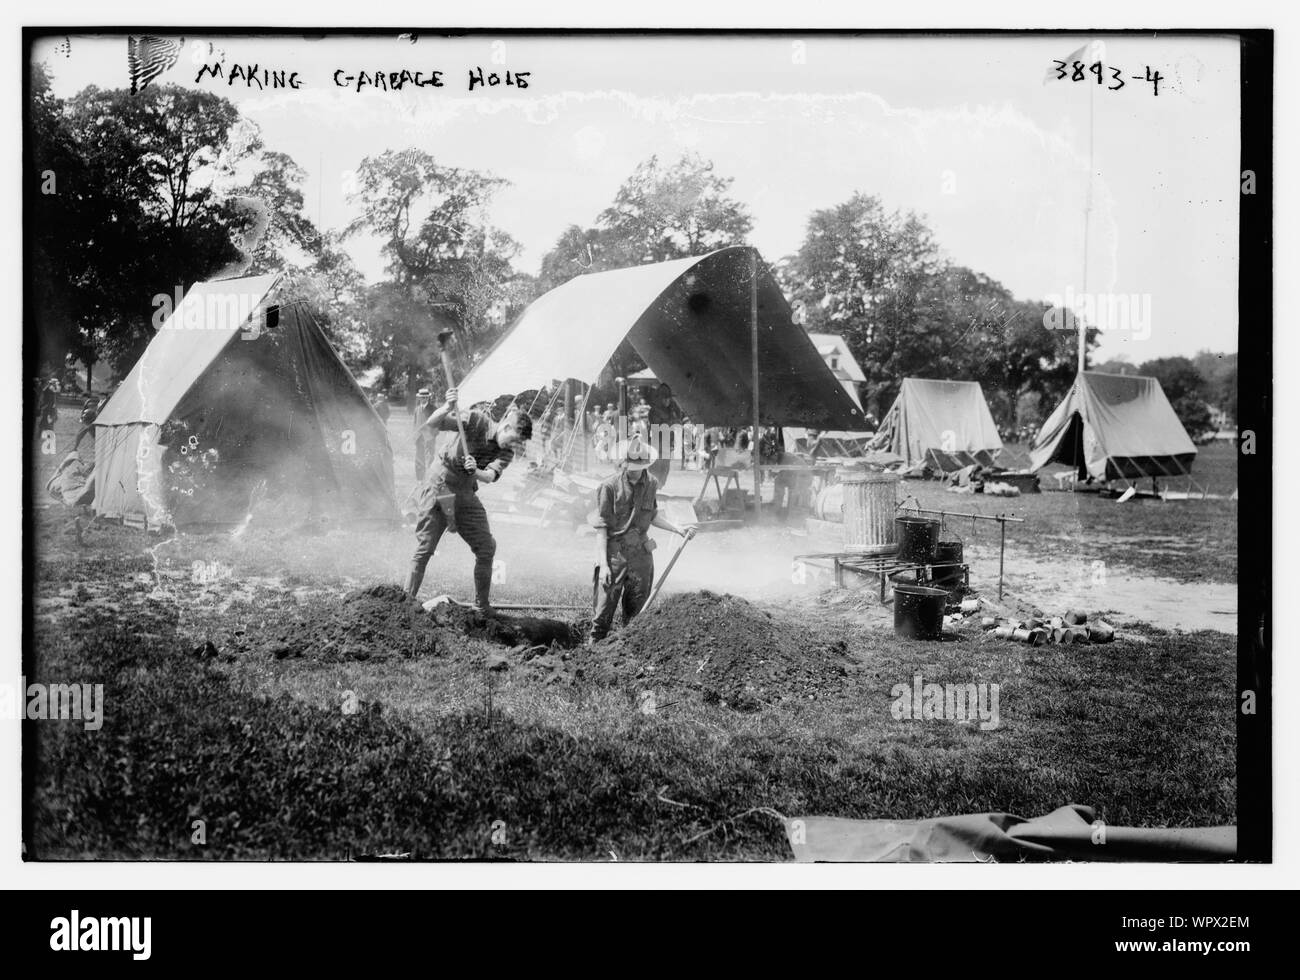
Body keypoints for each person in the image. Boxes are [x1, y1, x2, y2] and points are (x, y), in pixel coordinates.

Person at [405, 387, 532, 611]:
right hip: (439, 485)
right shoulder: (475, 420)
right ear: (505, 426)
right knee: (426, 547)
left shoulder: (507, 452)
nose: (514, 447)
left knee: (486, 547)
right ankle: (405, 603)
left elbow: (490, 476)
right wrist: (446, 406)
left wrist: (475, 471)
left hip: (465, 493)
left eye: (518, 444)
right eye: (514, 440)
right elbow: (434, 424)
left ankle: (482, 607)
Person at [589, 436, 694, 644]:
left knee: (637, 615)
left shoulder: (651, 483)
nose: (635, 469)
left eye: (639, 465)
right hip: (615, 556)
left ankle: (629, 653)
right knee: (602, 613)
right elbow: (601, 529)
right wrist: (604, 566)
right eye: (631, 464)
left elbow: (653, 515)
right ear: (623, 462)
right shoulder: (608, 487)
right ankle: (593, 652)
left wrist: (678, 529)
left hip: (641, 556)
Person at [412, 387, 434, 481]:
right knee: (419, 458)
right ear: (419, 398)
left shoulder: (433, 409)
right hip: (418, 437)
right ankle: (420, 479)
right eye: (422, 397)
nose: (424, 399)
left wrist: (432, 434)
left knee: (429, 458)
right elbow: (414, 423)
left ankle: (430, 478)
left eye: (426, 397)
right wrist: (414, 434)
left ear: (428, 398)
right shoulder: (417, 409)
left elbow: (437, 424)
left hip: (429, 437)